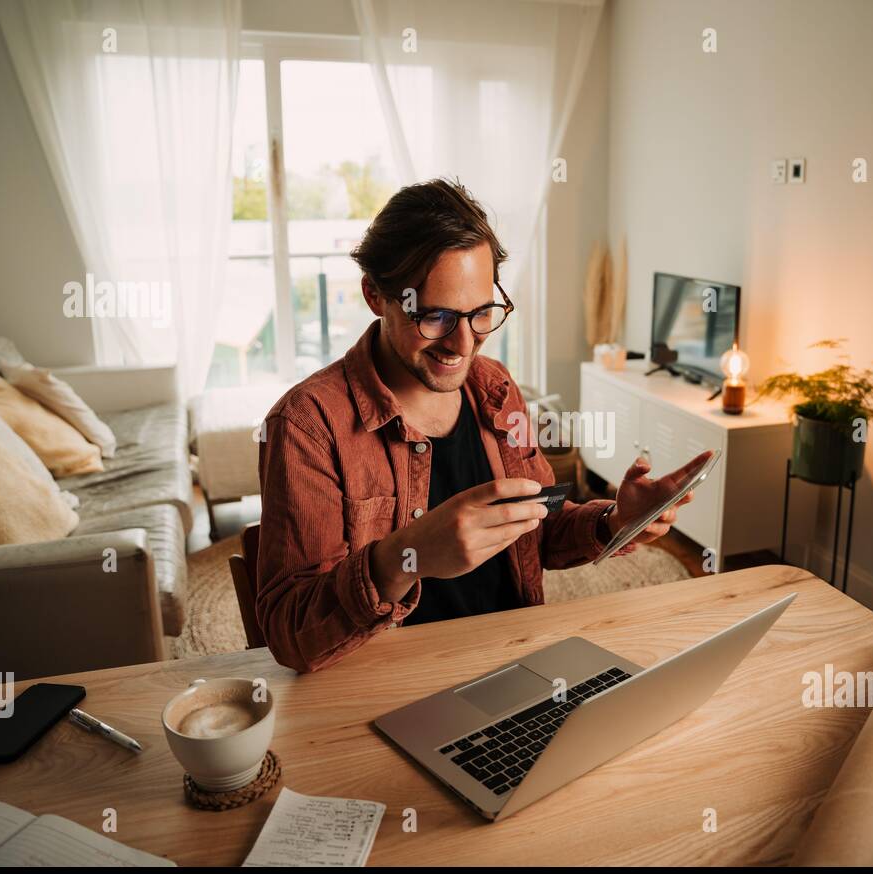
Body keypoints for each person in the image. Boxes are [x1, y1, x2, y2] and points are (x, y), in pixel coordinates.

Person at [256, 178, 708, 673]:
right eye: (435, 316)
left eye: (481, 314)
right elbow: (289, 635)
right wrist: (407, 556)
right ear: (373, 294)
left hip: (519, 667)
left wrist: (615, 521)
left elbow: (538, 524)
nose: (463, 345)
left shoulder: (495, 388)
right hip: (387, 688)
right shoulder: (307, 425)